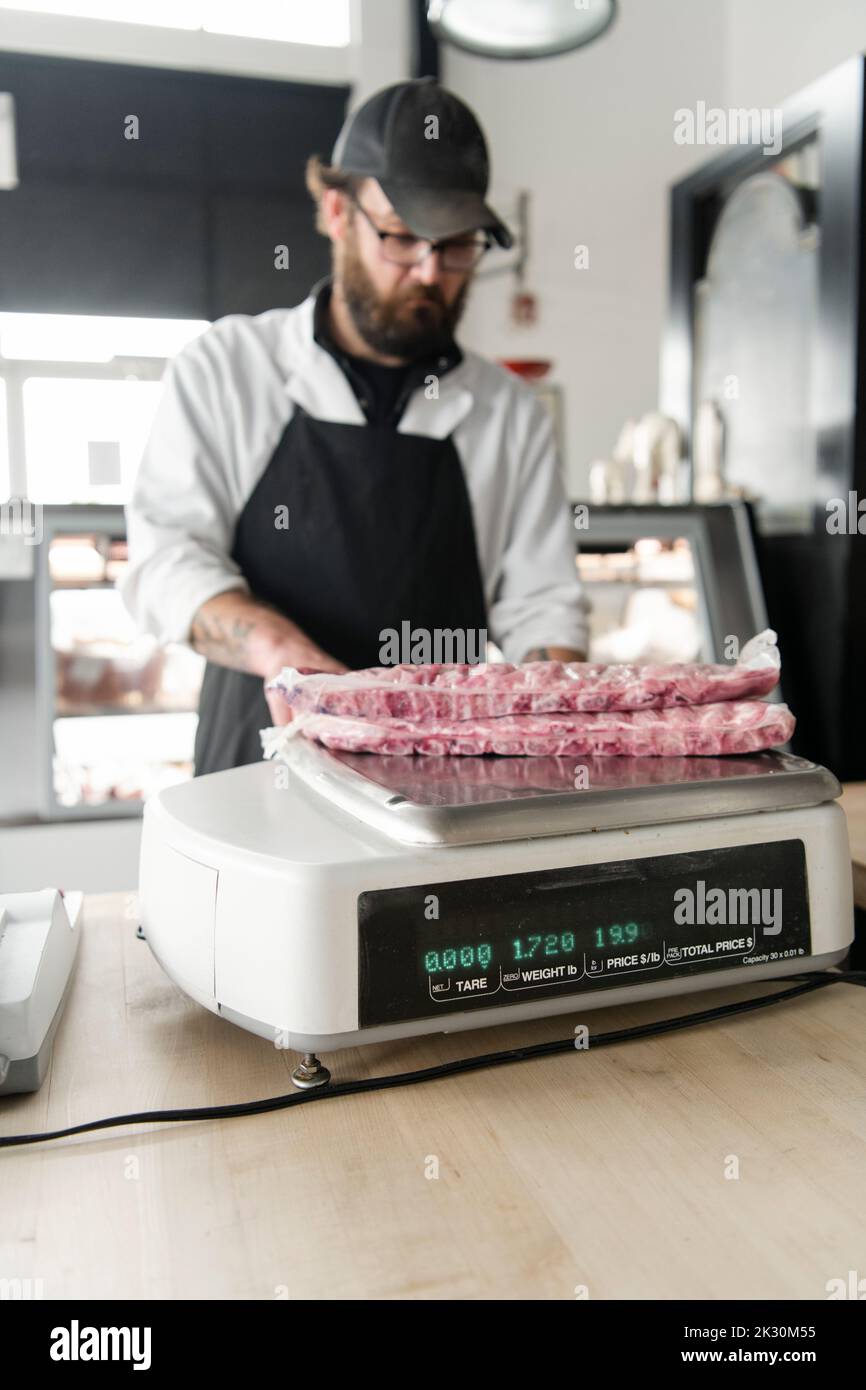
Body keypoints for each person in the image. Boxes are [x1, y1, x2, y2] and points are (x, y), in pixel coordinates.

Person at [122, 77, 591, 775]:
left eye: (458, 246)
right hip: (260, 760)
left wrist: (555, 709)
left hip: (440, 780)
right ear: (336, 211)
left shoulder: (509, 412)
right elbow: (165, 562)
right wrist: (284, 657)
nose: (431, 272)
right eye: (403, 238)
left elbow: (543, 604)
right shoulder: (226, 368)